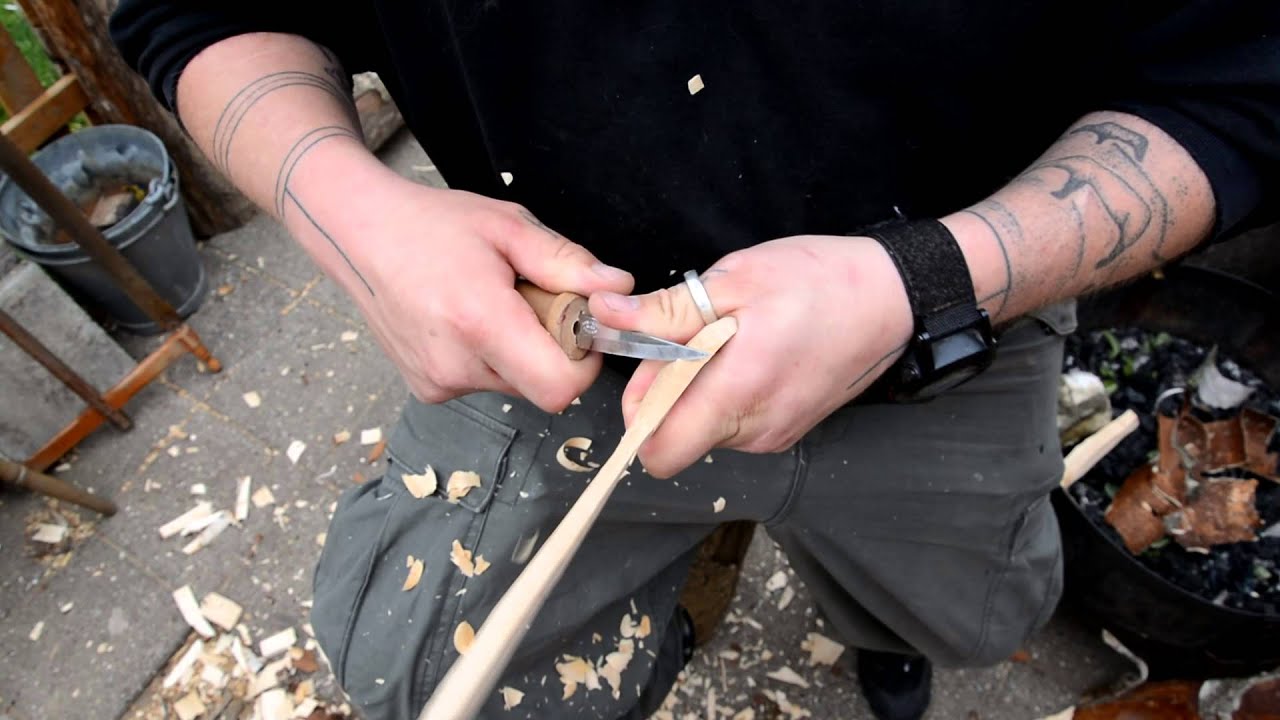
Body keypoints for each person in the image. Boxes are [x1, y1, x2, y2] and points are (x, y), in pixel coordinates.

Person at [110, 2, 1279, 718]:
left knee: (965, 614)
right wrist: (351, 212)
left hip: (944, 315)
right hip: (555, 340)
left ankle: (876, 634)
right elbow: (194, 10)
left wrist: (919, 280)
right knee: (410, 670)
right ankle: (669, 618)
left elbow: (1239, 88)